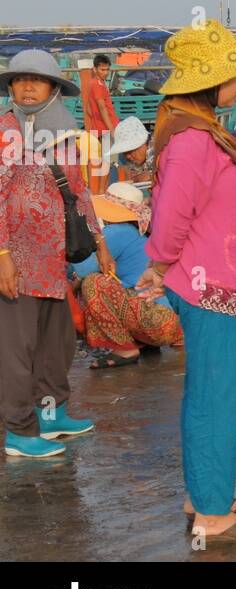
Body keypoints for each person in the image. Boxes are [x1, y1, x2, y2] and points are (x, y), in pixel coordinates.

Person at [135, 20, 236, 545]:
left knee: (206, 393)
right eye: (235, 72)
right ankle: (214, 517)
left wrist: (164, 263)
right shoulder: (193, 136)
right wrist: (162, 261)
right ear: (211, 83)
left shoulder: (194, 126)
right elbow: (172, 214)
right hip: (211, 281)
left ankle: (205, 492)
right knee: (216, 396)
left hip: (212, 276)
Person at [0, 49, 114, 457]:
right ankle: (19, 431)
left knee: (56, 344)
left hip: (52, 261)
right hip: (16, 261)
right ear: (11, 87)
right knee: (17, 351)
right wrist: (3, 255)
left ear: (52, 89)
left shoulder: (64, 133)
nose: (27, 86)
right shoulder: (6, 130)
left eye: (37, 80)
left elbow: (80, 192)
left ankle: (51, 415)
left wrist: (100, 244)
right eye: (19, 80)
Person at [71, 183, 183, 368]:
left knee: (93, 282)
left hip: (155, 319)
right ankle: (143, 343)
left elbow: (82, 269)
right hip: (169, 322)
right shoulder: (137, 233)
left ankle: (124, 349)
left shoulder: (117, 232)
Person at [85, 54, 119, 195]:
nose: (105, 73)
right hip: (105, 128)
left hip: (99, 127)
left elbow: (88, 108)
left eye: (107, 70)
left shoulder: (95, 83)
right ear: (95, 69)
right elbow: (101, 107)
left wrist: (95, 120)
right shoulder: (98, 85)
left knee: (101, 159)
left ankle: (99, 191)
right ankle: (101, 191)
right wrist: (111, 128)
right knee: (106, 161)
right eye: (102, 70)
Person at [107, 116, 153, 184]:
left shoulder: (157, 152)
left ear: (141, 143)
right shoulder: (144, 157)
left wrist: (152, 176)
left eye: (130, 151)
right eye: (125, 153)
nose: (127, 156)